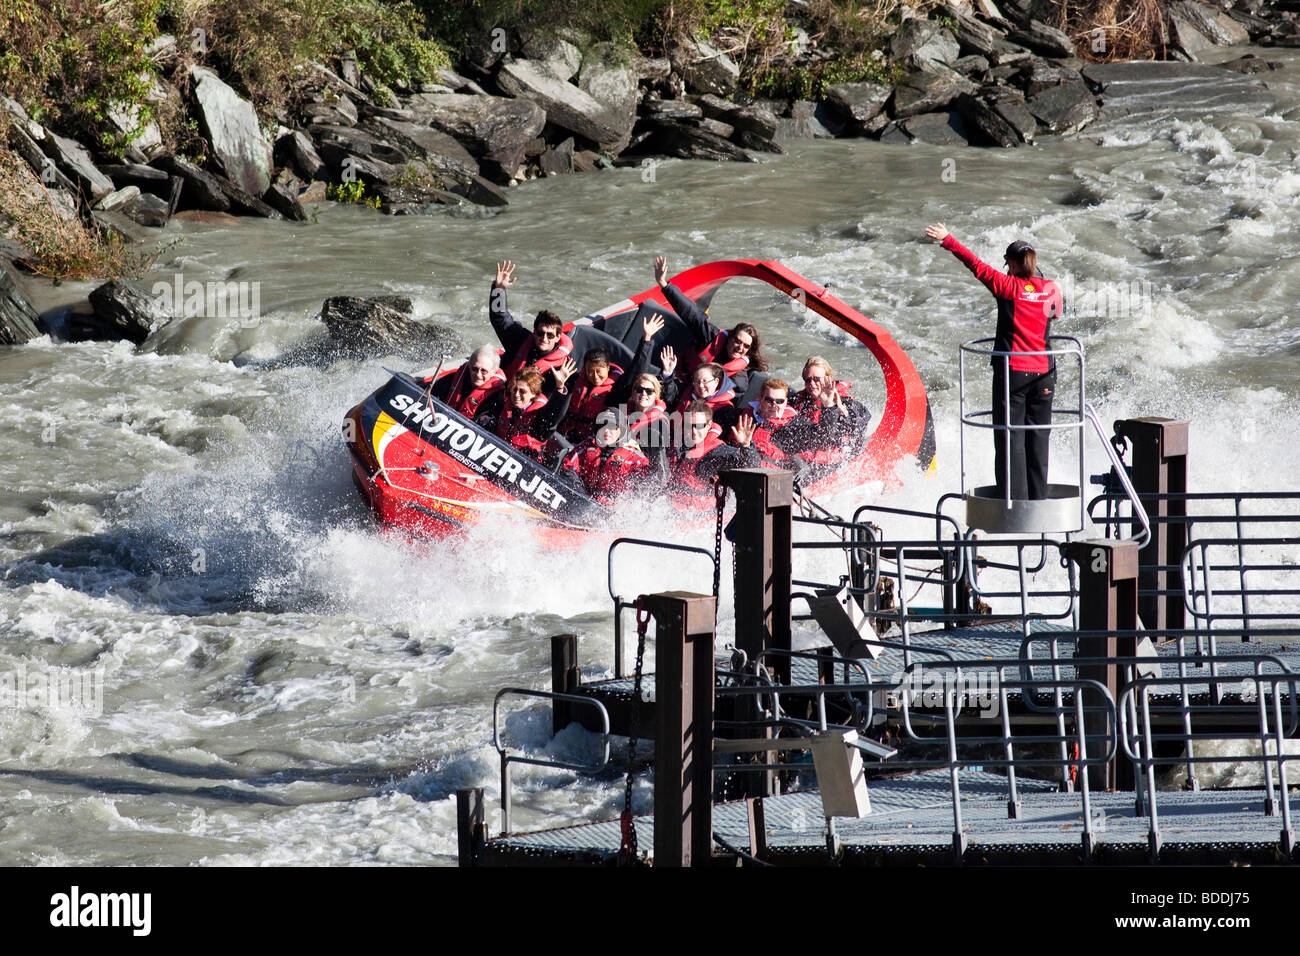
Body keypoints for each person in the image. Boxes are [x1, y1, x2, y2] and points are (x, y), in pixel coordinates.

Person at [925, 223, 1062, 500]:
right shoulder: (1050, 288)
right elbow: (1055, 314)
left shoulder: (1006, 285)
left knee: (1011, 440)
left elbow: (974, 264)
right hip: (1045, 374)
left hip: (1014, 374)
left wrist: (948, 238)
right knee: (1038, 438)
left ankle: (1015, 505)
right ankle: (1039, 501)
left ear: (1011, 263)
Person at [653, 255, 767, 393]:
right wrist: (664, 284)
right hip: (677, 383)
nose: (739, 347)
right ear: (730, 337)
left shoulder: (739, 373)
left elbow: (740, 388)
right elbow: (690, 311)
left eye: (745, 346)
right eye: (737, 341)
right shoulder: (711, 336)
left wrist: (715, 379)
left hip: (701, 400)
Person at [489, 260, 574, 378]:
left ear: (558, 337)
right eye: (540, 333)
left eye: (550, 335)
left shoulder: (564, 365)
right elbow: (499, 319)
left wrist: (560, 387)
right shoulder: (521, 340)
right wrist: (498, 289)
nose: (544, 338)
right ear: (534, 332)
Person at [475, 363, 573, 461]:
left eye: (522, 391)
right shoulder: (502, 405)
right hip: (494, 457)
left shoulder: (541, 416)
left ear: (533, 393)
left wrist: (560, 387)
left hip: (524, 465)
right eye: (514, 389)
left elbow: (554, 414)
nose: (516, 394)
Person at [669, 401, 760, 498]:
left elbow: (751, 469)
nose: (694, 432)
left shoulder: (719, 452)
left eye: (699, 426)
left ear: (708, 425)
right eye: (689, 426)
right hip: (676, 504)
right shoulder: (680, 446)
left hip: (705, 510)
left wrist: (746, 446)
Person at [789, 356, 872, 461]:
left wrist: (839, 408)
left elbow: (855, 427)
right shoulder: (797, 400)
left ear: (828, 378)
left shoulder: (844, 401)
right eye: (808, 380)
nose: (812, 384)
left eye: (816, 379)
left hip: (834, 458)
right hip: (807, 456)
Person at [561, 419, 654, 503]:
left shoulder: (634, 455)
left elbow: (649, 478)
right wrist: (579, 493)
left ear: (620, 431)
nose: (606, 431)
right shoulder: (587, 446)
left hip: (613, 510)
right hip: (583, 499)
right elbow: (568, 467)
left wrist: (657, 455)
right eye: (603, 426)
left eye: (611, 427)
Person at [428, 346, 506, 419]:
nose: (478, 375)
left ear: (493, 372)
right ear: (469, 366)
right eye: (474, 369)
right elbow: (430, 396)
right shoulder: (454, 378)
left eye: (483, 371)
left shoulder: (496, 399)